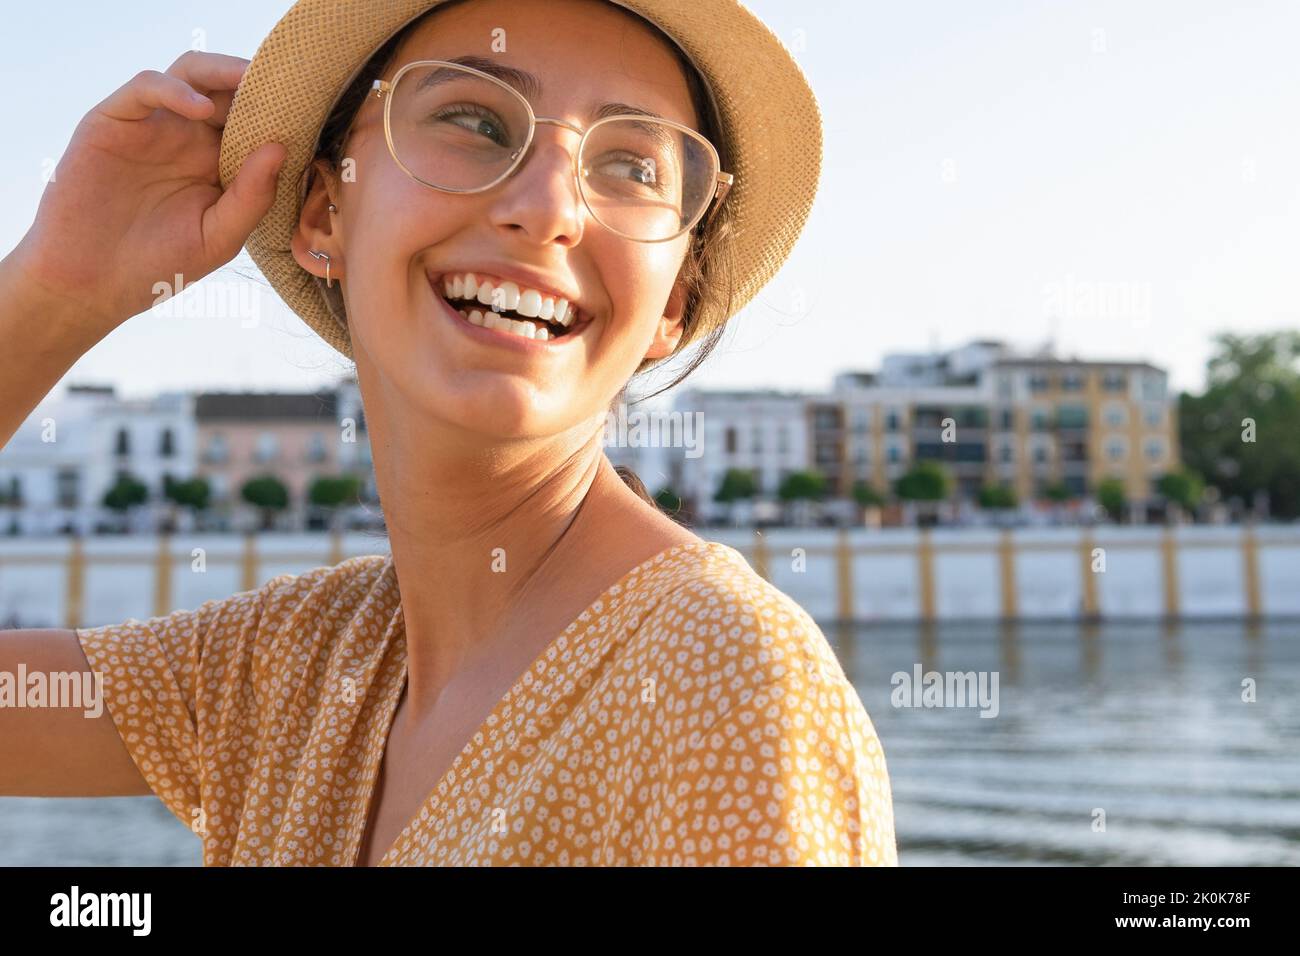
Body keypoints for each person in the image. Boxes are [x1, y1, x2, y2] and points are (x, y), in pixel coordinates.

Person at [0, 0, 898, 866]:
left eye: (631, 167)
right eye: (473, 119)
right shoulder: (290, 672)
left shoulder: (725, 683)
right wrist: (55, 292)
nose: (549, 206)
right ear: (324, 212)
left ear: (675, 301)